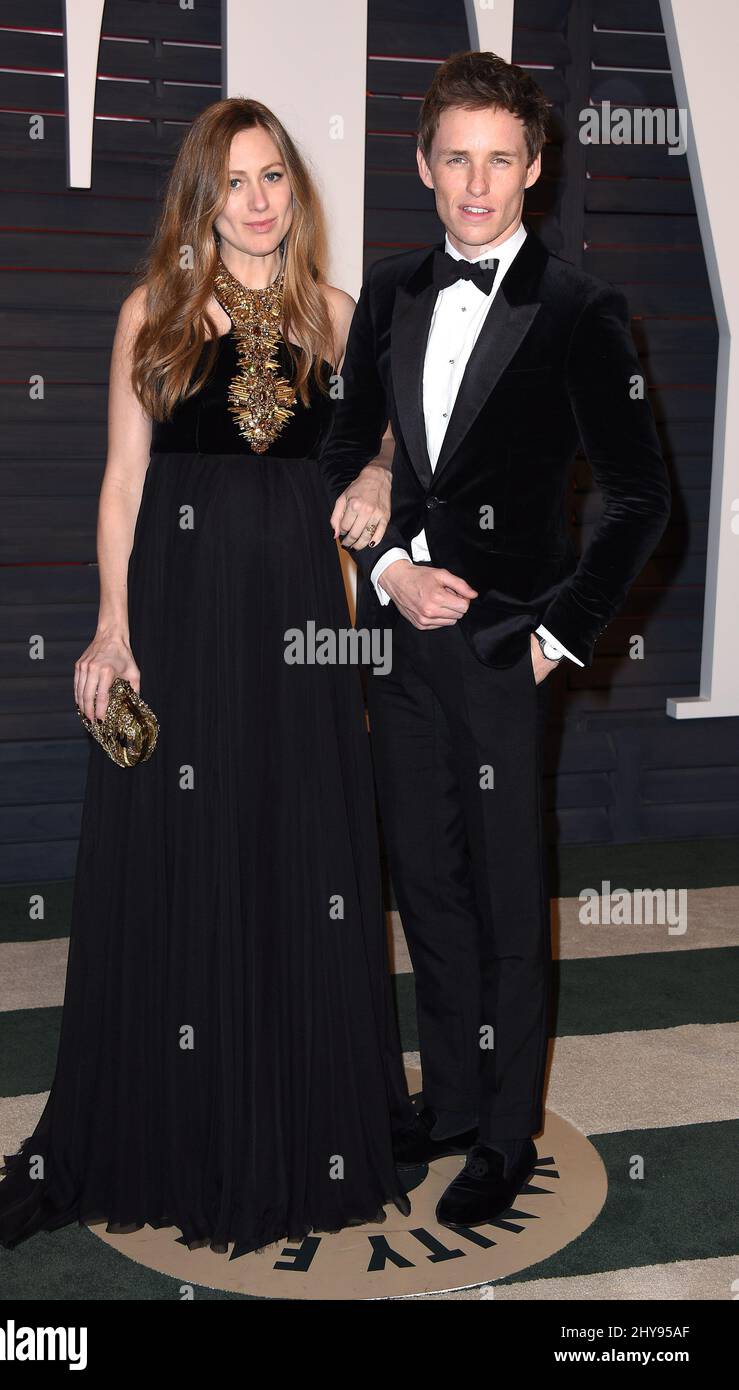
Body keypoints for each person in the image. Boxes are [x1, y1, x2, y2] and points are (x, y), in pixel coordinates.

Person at [0, 97, 418, 1255]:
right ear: (199, 203)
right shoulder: (152, 314)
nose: (257, 203)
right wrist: (111, 626)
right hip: (181, 609)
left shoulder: (336, 316)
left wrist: (374, 476)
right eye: (233, 185)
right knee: (183, 848)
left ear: (292, 194)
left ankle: (300, 1121)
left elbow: (395, 437)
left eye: (272, 179)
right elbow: (121, 481)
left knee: (296, 845)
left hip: (301, 626)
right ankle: (179, 1124)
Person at [323, 51, 671, 1230]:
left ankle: (508, 1134)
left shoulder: (580, 312)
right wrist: (387, 567)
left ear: (534, 168)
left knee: (508, 895)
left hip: (505, 652)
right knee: (421, 879)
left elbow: (640, 498)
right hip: (400, 644)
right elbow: (344, 452)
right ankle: (455, 1098)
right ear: (424, 166)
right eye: (455, 159)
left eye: (500, 160)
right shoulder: (387, 291)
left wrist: (552, 639)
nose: (477, 184)